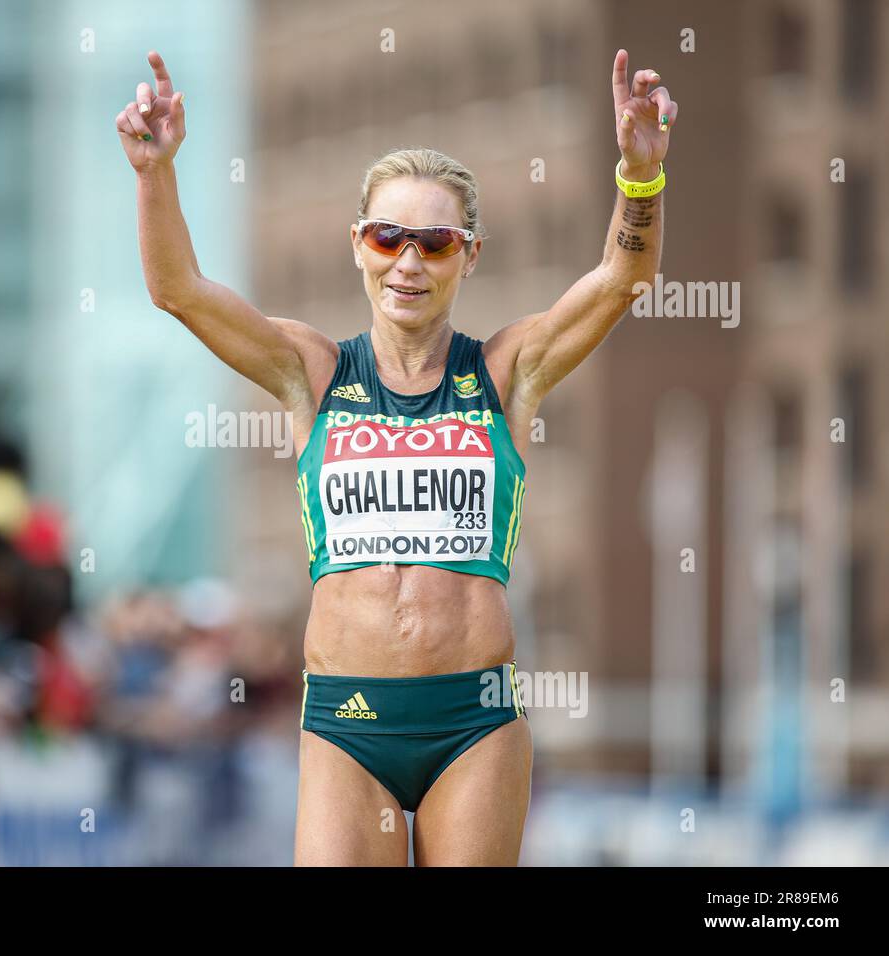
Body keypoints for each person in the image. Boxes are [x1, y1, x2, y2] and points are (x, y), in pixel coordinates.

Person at [116, 49, 676, 865]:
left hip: (473, 723)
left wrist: (639, 173)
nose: (408, 263)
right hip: (347, 723)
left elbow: (623, 280)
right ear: (357, 245)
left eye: (435, 243)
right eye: (388, 237)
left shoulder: (505, 370)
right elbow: (179, 290)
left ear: (469, 255)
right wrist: (154, 172)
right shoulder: (310, 370)